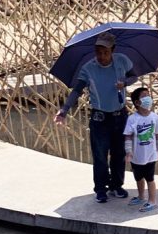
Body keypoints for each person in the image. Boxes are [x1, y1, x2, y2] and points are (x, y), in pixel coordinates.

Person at [54, 32, 137, 203]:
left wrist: (125, 83)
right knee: (100, 155)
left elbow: (133, 75)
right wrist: (64, 110)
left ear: (113, 50)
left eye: (105, 52)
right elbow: (77, 90)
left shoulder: (122, 61)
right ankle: (100, 189)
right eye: (98, 52)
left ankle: (116, 185)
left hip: (120, 116)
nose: (102, 56)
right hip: (100, 118)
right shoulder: (88, 68)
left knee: (119, 153)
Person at [124, 86, 158, 213]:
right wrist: (128, 152)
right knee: (138, 177)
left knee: (150, 178)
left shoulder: (154, 117)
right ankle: (141, 196)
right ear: (137, 102)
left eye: (148, 95)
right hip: (136, 155)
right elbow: (128, 136)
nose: (148, 98)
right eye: (144, 96)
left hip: (151, 155)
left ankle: (152, 200)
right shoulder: (132, 119)